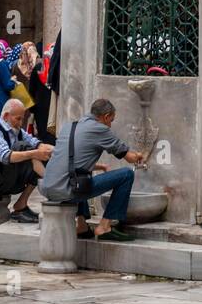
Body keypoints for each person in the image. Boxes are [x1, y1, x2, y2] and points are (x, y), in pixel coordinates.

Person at [40, 98, 143, 242]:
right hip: (66, 190)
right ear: (106, 117)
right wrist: (139, 154)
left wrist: (100, 166)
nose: (110, 124)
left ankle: (81, 225)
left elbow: (70, 161)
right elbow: (129, 157)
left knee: (81, 176)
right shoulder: (100, 129)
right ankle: (104, 227)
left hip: (48, 187)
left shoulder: (70, 126)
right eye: (111, 120)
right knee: (126, 174)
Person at [0, 99, 54, 222]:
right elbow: (6, 156)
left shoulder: (18, 131)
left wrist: (57, 151)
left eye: (22, 119)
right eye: (18, 119)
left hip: (11, 179)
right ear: (5, 116)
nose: (20, 123)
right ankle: (52, 183)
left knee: (41, 154)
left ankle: (21, 204)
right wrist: (35, 153)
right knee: (23, 148)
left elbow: (37, 144)